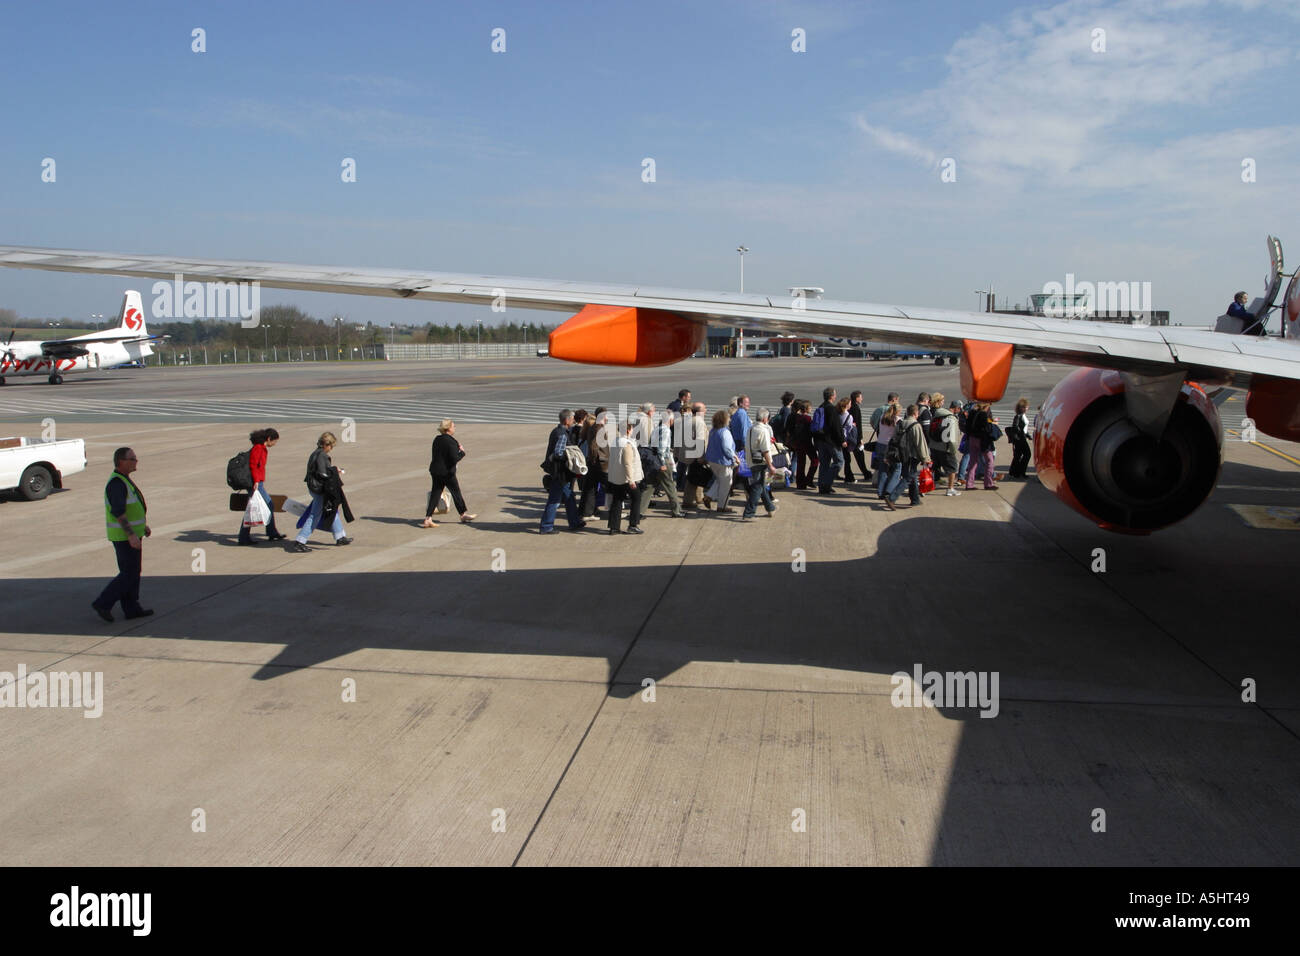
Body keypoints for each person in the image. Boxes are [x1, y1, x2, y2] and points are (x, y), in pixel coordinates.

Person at [92, 446, 153, 621]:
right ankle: (103, 603)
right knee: (129, 574)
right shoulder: (116, 484)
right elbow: (119, 512)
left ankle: (132, 608)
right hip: (124, 537)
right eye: (132, 459)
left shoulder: (123, 479)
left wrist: (142, 528)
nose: (136, 461)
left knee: (132, 572)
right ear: (121, 462)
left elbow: (133, 507)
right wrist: (131, 535)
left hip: (131, 534)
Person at [290, 431, 353, 550]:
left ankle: (340, 536)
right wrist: (335, 470)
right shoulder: (321, 455)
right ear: (326, 444)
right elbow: (323, 473)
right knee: (315, 515)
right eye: (331, 446)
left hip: (315, 487)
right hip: (319, 489)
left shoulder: (315, 453)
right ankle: (300, 541)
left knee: (331, 510)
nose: (331, 448)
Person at [422, 419, 476, 527]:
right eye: (453, 426)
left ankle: (428, 518)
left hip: (435, 471)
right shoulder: (451, 441)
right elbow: (454, 458)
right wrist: (462, 452)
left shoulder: (437, 439)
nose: (454, 428)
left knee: (436, 493)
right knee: (456, 492)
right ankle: (463, 514)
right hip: (447, 473)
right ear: (448, 428)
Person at [540, 409, 586, 534]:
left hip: (561, 473)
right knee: (554, 500)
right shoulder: (561, 434)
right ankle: (546, 526)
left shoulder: (559, 431)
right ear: (566, 420)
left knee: (569, 496)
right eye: (572, 419)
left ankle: (574, 522)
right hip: (560, 473)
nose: (573, 421)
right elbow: (558, 453)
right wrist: (571, 457)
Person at [238, 427, 285, 545]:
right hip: (256, 483)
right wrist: (256, 481)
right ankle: (245, 537)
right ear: (269, 439)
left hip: (257, 482)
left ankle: (271, 532)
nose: (274, 444)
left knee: (262, 507)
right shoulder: (258, 448)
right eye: (274, 441)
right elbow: (253, 465)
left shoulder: (261, 448)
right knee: (266, 505)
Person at [882, 405, 931, 510]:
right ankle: (892, 498)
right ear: (915, 413)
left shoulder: (901, 423)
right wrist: (926, 458)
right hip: (911, 455)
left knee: (910, 476)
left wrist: (887, 455)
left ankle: (915, 499)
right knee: (908, 477)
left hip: (901, 454)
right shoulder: (916, 425)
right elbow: (920, 443)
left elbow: (893, 440)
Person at [606, 416, 645, 533]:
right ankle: (633, 525)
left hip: (616, 477)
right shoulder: (627, 444)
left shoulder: (615, 441)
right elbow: (628, 463)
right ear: (629, 430)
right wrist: (631, 480)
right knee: (636, 498)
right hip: (627, 478)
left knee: (617, 500)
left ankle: (614, 527)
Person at [646, 409, 685, 517]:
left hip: (654, 460)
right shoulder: (666, 430)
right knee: (670, 485)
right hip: (662, 461)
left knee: (649, 487)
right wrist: (662, 463)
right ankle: (676, 510)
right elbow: (661, 449)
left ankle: (639, 511)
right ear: (671, 419)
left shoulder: (656, 428)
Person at [742, 408, 778, 519]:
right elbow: (765, 450)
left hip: (751, 460)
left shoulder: (751, 428)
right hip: (760, 462)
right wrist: (771, 465)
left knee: (761, 485)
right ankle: (748, 513)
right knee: (758, 487)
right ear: (765, 418)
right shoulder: (763, 431)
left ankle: (770, 508)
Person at [705, 408, 740, 513]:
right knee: (726, 484)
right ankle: (722, 506)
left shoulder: (713, 430)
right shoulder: (725, 432)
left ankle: (709, 496)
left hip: (712, 460)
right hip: (723, 462)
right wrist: (735, 457)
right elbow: (727, 448)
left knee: (719, 480)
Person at [815, 386, 845, 494]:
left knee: (824, 463)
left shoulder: (821, 407)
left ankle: (822, 486)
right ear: (832, 396)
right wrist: (842, 440)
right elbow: (836, 427)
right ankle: (826, 483)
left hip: (821, 440)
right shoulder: (831, 409)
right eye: (835, 394)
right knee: (839, 462)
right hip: (830, 441)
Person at [680, 402, 710, 509]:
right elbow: (700, 440)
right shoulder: (699, 422)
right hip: (696, 454)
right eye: (705, 408)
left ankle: (698, 497)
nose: (706, 410)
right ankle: (688, 501)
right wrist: (701, 456)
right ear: (700, 411)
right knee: (693, 478)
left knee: (697, 476)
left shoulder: (689, 420)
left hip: (689, 453)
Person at [964, 403, 999, 491]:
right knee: (989, 460)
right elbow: (985, 428)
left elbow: (967, 426)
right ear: (986, 407)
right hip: (982, 440)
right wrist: (993, 424)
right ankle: (988, 483)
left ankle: (969, 484)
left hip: (972, 438)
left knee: (973, 461)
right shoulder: (983, 414)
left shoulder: (972, 413)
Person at [931, 400, 962, 496]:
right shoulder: (951, 418)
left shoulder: (937, 415)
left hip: (934, 445)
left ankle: (931, 483)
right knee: (952, 468)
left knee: (935, 466)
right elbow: (952, 437)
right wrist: (953, 450)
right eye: (959, 409)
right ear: (956, 408)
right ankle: (950, 488)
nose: (960, 411)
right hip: (946, 447)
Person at [788, 399, 818, 489]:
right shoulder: (807, 418)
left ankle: (800, 483)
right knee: (815, 460)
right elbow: (811, 431)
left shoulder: (797, 418)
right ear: (806, 409)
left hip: (798, 442)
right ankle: (809, 479)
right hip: (807, 442)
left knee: (801, 463)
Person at [842, 390, 871, 483]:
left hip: (846, 436)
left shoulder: (849, 408)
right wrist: (860, 438)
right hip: (854, 436)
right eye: (861, 397)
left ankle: (849, 475)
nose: (862, 399)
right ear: (857, 398)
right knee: (859, 455)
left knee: (847, 457)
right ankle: (865, 473)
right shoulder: (856, 408)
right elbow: (858, 425)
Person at [874, 405, 900, 499]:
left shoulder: (882, 417)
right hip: (889, 446)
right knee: (897, 468)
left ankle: (880, 492)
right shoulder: (897, 420)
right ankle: (889, 489)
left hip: (880, 443)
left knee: (882, 469)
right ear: (897, 411)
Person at [1006, 397, 1033, 479]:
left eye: (1026, 407)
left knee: (1018, 455)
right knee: (1027, 454)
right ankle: (1020, 472)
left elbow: (1024, 428)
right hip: (1020, 439)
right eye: (1024, 407)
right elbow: (1015, 426)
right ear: (1020, 407)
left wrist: (1027, 435)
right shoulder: (1018, 416)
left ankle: (1014, 472)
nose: (1026, 408)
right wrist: (1022, 434)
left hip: (1022, 437)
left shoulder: (1023, 415)